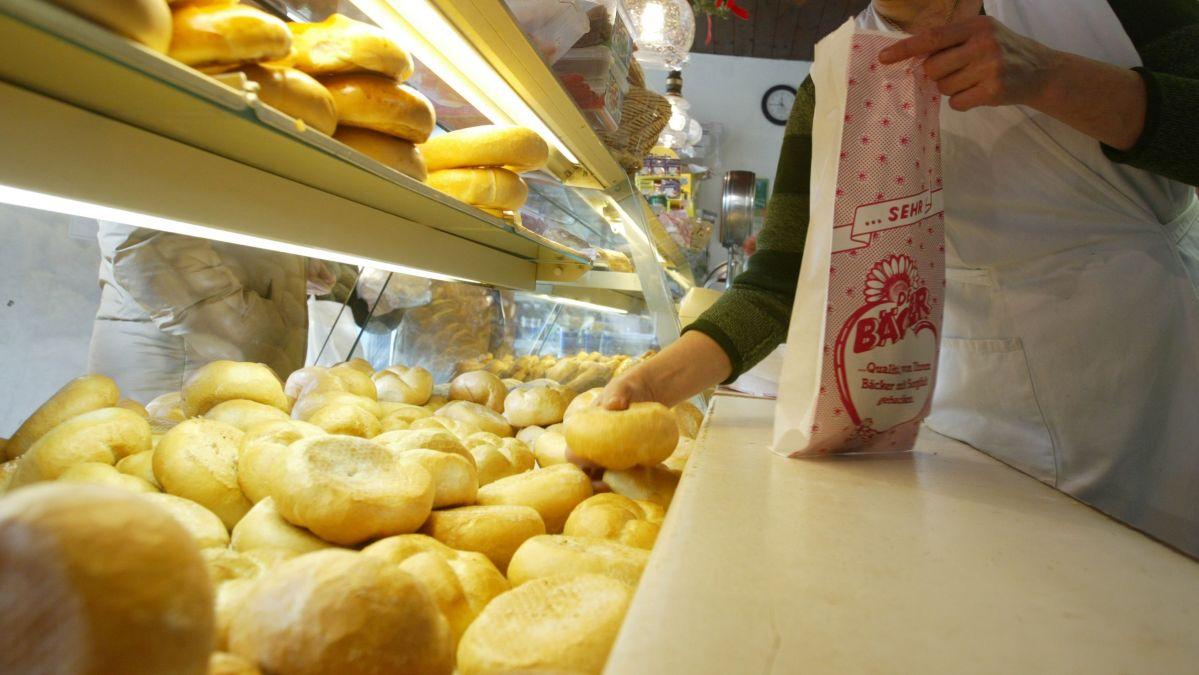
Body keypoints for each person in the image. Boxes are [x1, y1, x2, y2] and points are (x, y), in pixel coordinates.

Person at [602, 0, 1199, 556]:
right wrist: (651, 385)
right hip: (972, 424)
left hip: (1146, 395)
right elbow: (778, 281)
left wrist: (1051, 77)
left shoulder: (1111, 10)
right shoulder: (834, 78)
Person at [88, 223, 323, 402]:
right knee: (162, 458)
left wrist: (294, 263)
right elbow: (144, 235)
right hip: (178, 356)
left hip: (231, 349)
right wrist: (245, 324)